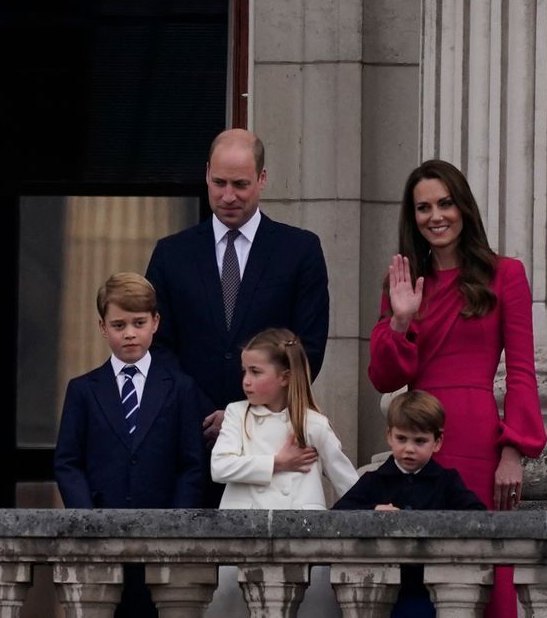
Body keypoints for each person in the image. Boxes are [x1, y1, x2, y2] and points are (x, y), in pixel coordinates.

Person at [368, 160, 547, 618]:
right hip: (420, 437)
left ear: (463, 207)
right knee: (421, 570)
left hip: (478, 439)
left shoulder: (505, 274)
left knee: (486, 564)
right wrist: (402, 319)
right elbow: (384, 379)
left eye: (445, 203)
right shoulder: (401, 284)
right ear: (413, 217)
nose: (436, 216)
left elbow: (523, 371)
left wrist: (514, 450)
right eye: (424, 207)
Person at [145, 129, 330, 506]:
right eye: (219, 183)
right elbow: (157, 347)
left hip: (271, 442)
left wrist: (244, 414)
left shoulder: (300, 251)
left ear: (262, 179)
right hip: (190, 441)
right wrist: (207, 413)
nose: (228, 196)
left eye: (241, 184)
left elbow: (307, 347)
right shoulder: (171, 254)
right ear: (207, 174)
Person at [54, 272, 211, 618]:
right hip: (101, 536)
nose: (129, 334)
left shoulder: (181, 388)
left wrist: (177, 523)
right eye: (118, 324)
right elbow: (68, 461)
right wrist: (88, 521)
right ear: (101, 327)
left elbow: (192, 464)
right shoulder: (82, 389)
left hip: (163, 538)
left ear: (156, 323)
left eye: (138, 323)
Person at [208, 328, 358, 617]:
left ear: (285, 377)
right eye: (244, 371)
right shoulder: (237, 414)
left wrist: (376, 507)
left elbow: (348, 482)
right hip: (241, 539)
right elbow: (220, 466)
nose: (246, 381)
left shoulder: (313, 424)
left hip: (301, 543)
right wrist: (276, 462)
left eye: (255, 372)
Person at [334, 391, 485, 618]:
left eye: (420, 441)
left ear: (437, 442)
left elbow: (477, 515)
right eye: (402, 439)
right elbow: (336, 515)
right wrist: (372, 512)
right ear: (389, 436)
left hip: (432, 592)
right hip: (382, 592)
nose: (409, 449)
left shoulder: (447, 481)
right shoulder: (374, 481)